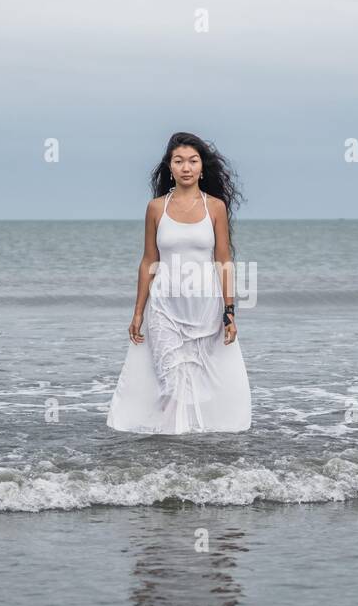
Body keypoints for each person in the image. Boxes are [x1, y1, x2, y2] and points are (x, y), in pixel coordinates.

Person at [106, 132, 251, 434]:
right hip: (164, 308)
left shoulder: (215, 208)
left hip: (204, 310)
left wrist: (229, 311)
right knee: (171, 382)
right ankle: (171, 449)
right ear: (169, 167)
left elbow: (223, 260)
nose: (186, 167)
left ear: (202, 167)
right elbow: (149, 261)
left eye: (193, 161)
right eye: (179, 161)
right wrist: (137, 312)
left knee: (199, 384)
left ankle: (185, 448)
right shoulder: (156, 208)